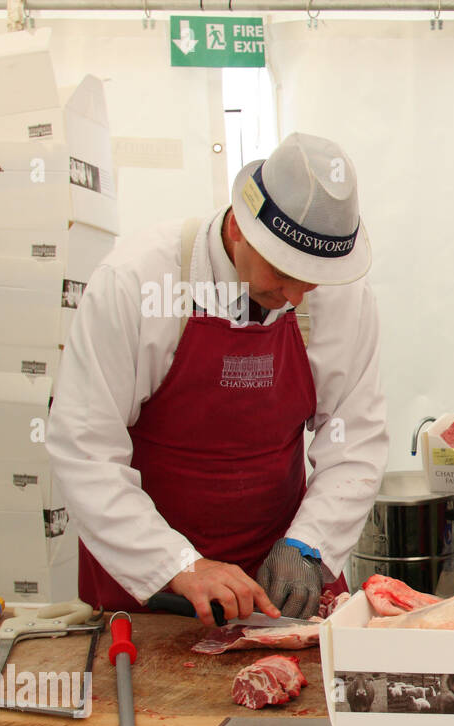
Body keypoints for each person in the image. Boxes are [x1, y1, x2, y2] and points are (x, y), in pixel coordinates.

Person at [48, 133, 388, 624]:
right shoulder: (137, 282)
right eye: (282, 273)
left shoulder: (342, 293)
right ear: (237, 229)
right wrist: (175, 565)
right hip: (149, 576)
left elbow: (354, 438)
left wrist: (308, 545)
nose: (296, 297)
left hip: (280, 575)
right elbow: (84, 447)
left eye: (310, 280)